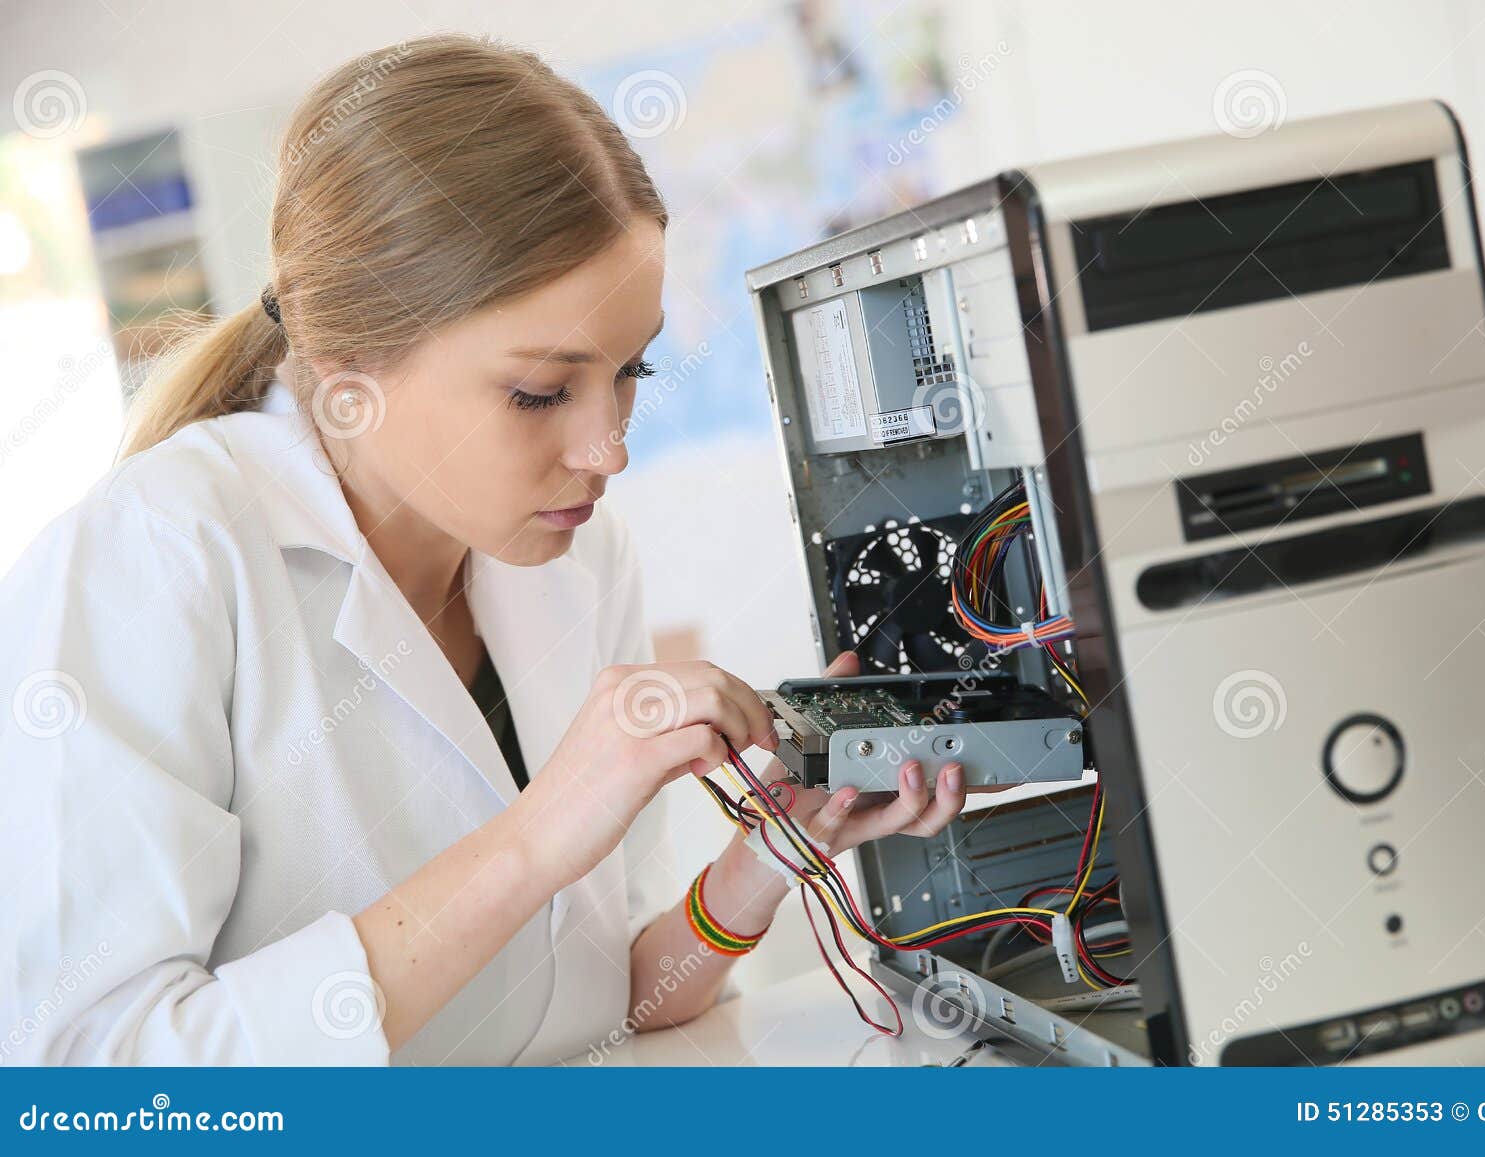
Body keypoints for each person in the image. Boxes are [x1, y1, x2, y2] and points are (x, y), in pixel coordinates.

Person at [0, 33, 971, 1065]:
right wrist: (536, 836)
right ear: (345, 360)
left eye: (631, 371)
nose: (609, 449)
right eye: (540, 392)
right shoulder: (156, 557)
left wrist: (772, 852)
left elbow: (605, 1003)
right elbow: (96, 1081)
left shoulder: (581, 557)